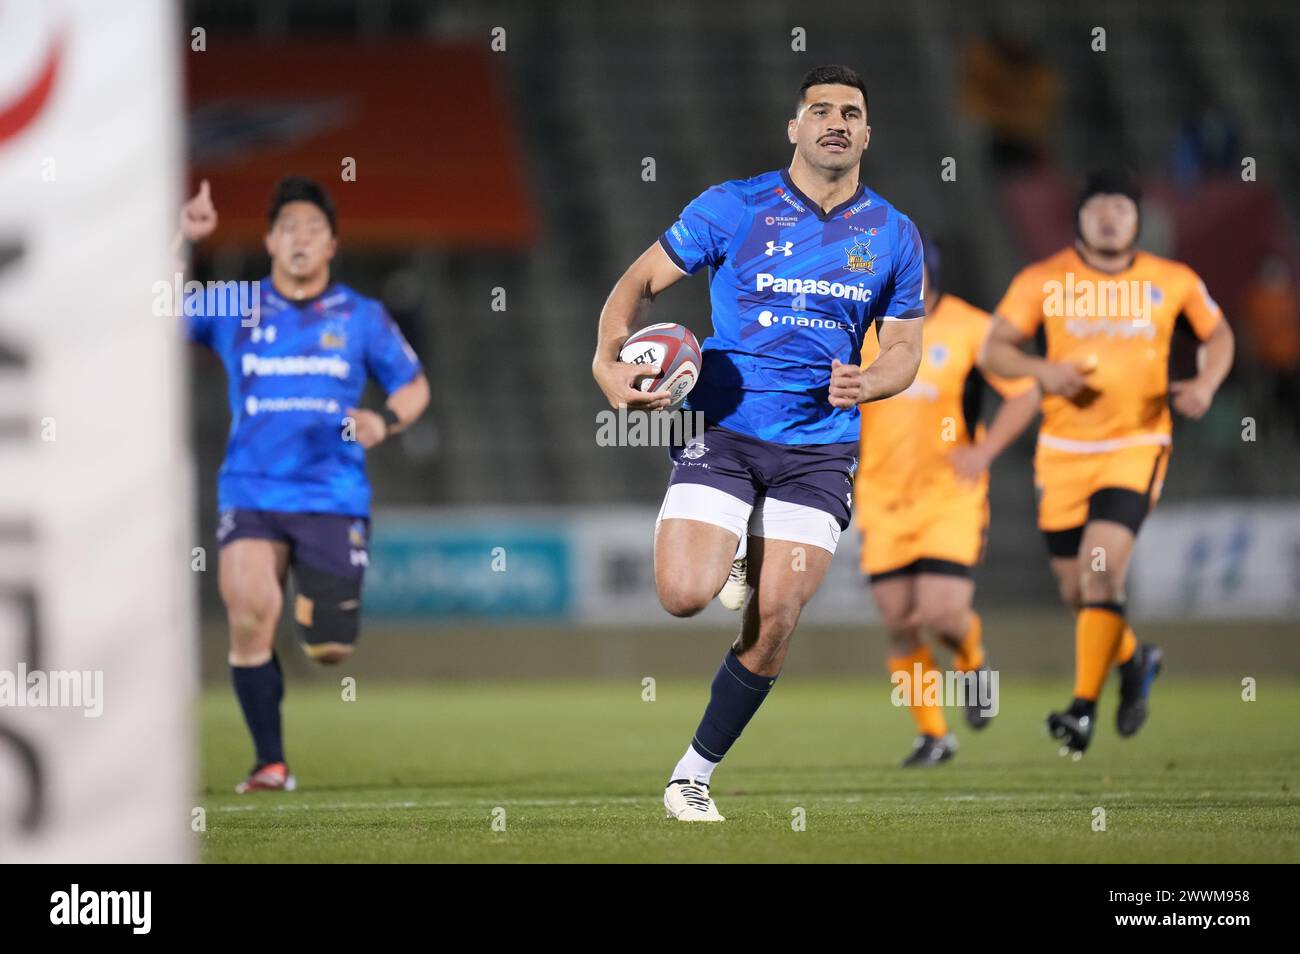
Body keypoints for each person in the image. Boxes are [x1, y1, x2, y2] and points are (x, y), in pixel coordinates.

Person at [592, 65, 925, 820]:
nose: (836, 122)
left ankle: (691, 777)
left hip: (821, 447)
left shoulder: (894, 234)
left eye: (851, 113)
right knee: (682, 596)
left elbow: (906, 349)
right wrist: (605, 354)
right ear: (794, 127)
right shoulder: (733, 207)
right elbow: (637, 283)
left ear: (868, 133)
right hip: (723, 427)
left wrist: (873, 381)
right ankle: (739, 543)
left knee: (776, 618)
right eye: (821, 110)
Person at [178, 176, 430, 792]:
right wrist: (182, 241)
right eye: (287, 227)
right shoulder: (236, 305)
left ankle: (314, 612)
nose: (299, 238)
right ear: (268, 240)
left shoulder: (363, 317)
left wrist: (383, 420)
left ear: (331, 245)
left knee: (330, 649)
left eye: (311, 229)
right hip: (251, 491)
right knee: (248, 617)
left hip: (331, 496)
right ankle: (271, 764)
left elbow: (415, 386)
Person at [980, 170, 1234, 757]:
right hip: (1063, 455)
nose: (1111, 216)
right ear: (1081, 218)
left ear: (1140, 218)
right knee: (1078, 593)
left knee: (1100, 574)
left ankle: (1082, 710)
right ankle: (1136, 659)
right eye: (1099, 207)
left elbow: (1218, 335)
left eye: (1123, 206)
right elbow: (995, 347)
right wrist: (1042, 371)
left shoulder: (1172, 280)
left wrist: (1207, 383)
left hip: (1136, 445)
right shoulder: (1042, 279)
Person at [855, 236, 1038, 766]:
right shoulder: (862, 330)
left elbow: (1026, 391)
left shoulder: (971, 329)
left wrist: (985, 451)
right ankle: (934, 734)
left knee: (940, 612)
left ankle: (973, 660)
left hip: (947, 495)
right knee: (898, 619)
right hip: (881, 494)